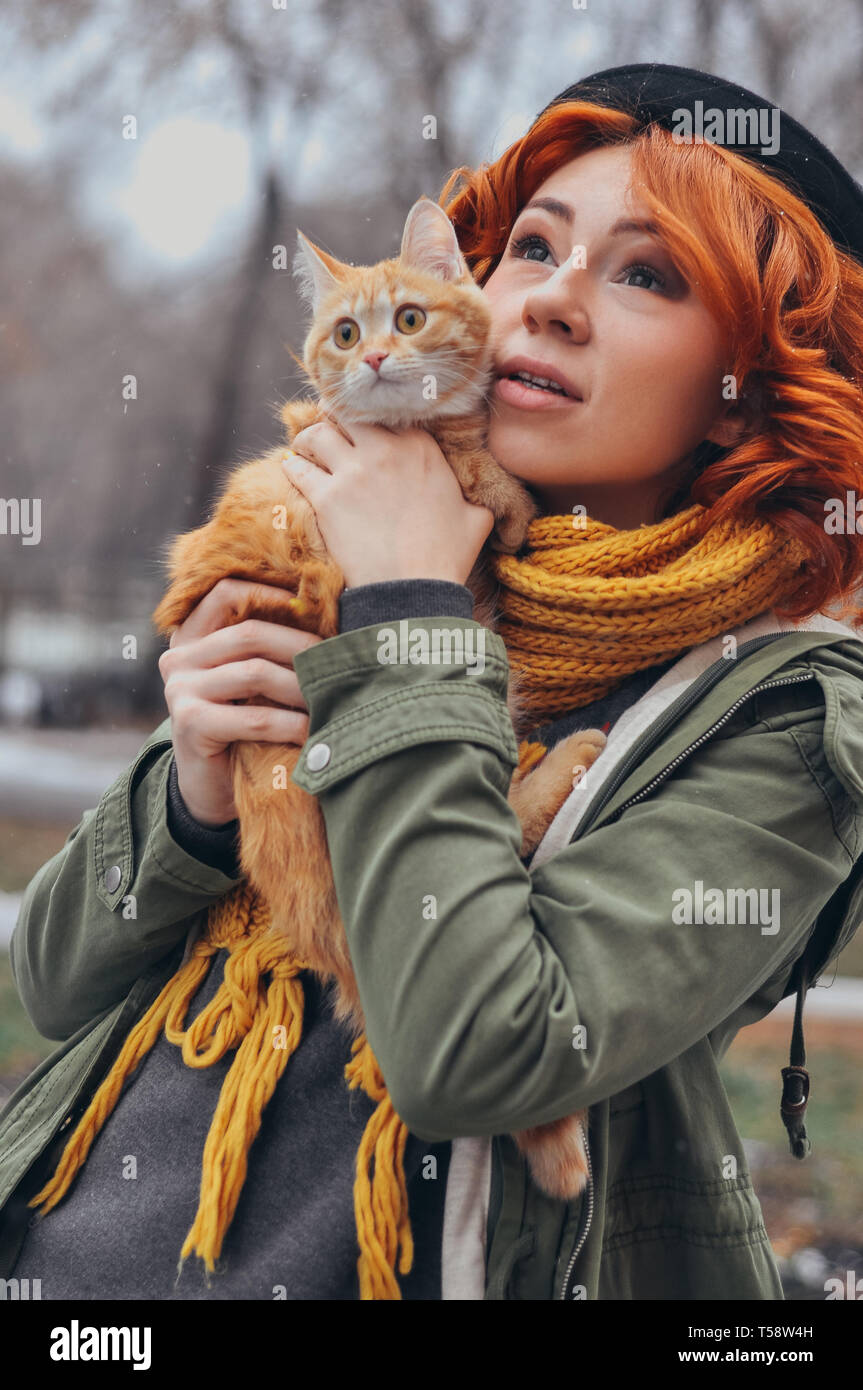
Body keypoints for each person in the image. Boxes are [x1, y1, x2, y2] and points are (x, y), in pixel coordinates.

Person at [3, 62, 863, 1301]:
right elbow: (52, 979)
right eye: (532, 247)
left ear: (742, 395)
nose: (552, 297)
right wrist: (190, 796)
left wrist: (405, 610)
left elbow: (477, 1056)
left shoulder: (780, 714)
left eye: (645, 275)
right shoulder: (323, 545)